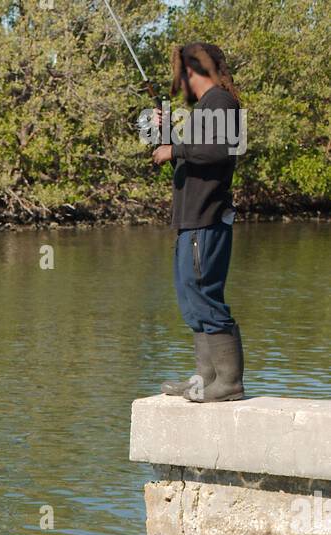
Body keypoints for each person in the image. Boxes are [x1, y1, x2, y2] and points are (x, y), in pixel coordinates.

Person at [152, 43, 244, 402]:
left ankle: (229, 383)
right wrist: (165, 134)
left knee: (205, 296)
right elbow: (189, 161)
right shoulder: (208, 108)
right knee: (192, 301)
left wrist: (174, 148)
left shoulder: (221, 102)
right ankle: (206, 382)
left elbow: (220, 150)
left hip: (206, 218)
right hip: (191, 220)